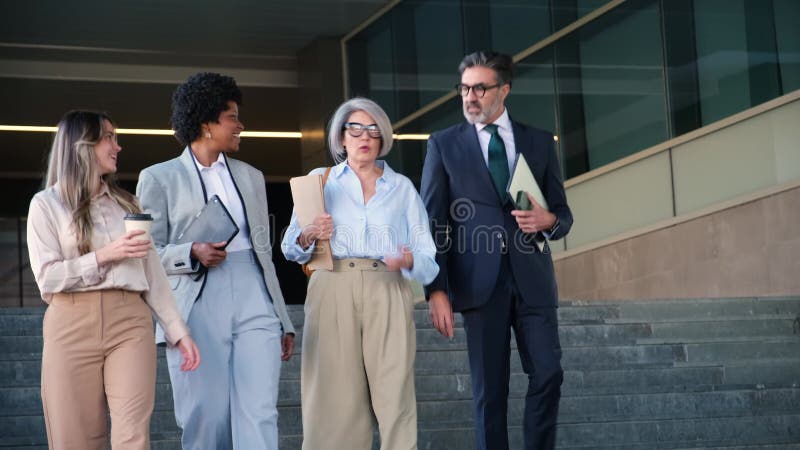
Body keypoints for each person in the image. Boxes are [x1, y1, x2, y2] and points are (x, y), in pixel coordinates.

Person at [421, 51, 573, 450]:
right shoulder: (443, 145)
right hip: (478, 283)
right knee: (490, 393)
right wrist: (436, 288)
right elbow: (433, 222)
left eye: (480, 88)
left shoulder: (539, 142)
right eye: (465, 88)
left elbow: (563, 215)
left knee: (549, 373)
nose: (470, 96)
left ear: (504, 90)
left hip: (533, 281)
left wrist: (549, 221)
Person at [136, 72, 295, 450]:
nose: (240, 126)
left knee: (259, 411)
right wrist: (190, 251)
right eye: (232, 117)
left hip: (254, 295)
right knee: (206, 413)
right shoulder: (159, 178)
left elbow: (264, 254)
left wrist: (283, 318)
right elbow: (145, 251)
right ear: (206, 123)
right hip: (196, 301)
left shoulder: (251, 177)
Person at [26, 110, 200, 450]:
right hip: (70, 322)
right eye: (109, 137)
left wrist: (178, 331)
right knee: (73, 438)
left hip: (129, 322)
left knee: (132, 436)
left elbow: (153, 273)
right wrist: (107, 254)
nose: (117, 146)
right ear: (83, 145)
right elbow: (47, 277)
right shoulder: (45, 205)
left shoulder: (127, 204)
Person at [281, 97, 438, 450]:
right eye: (355, 129)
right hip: (332, 284)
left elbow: (429, 258)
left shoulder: (402, 189)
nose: (364, 136)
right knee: (332, 396)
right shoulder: (319, 181)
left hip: (388, 287)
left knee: (394, 392)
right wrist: (309, 233)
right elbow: (290, 247)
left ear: (382, 138)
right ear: (341, 138)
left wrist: (408, 259)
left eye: (372, 130)